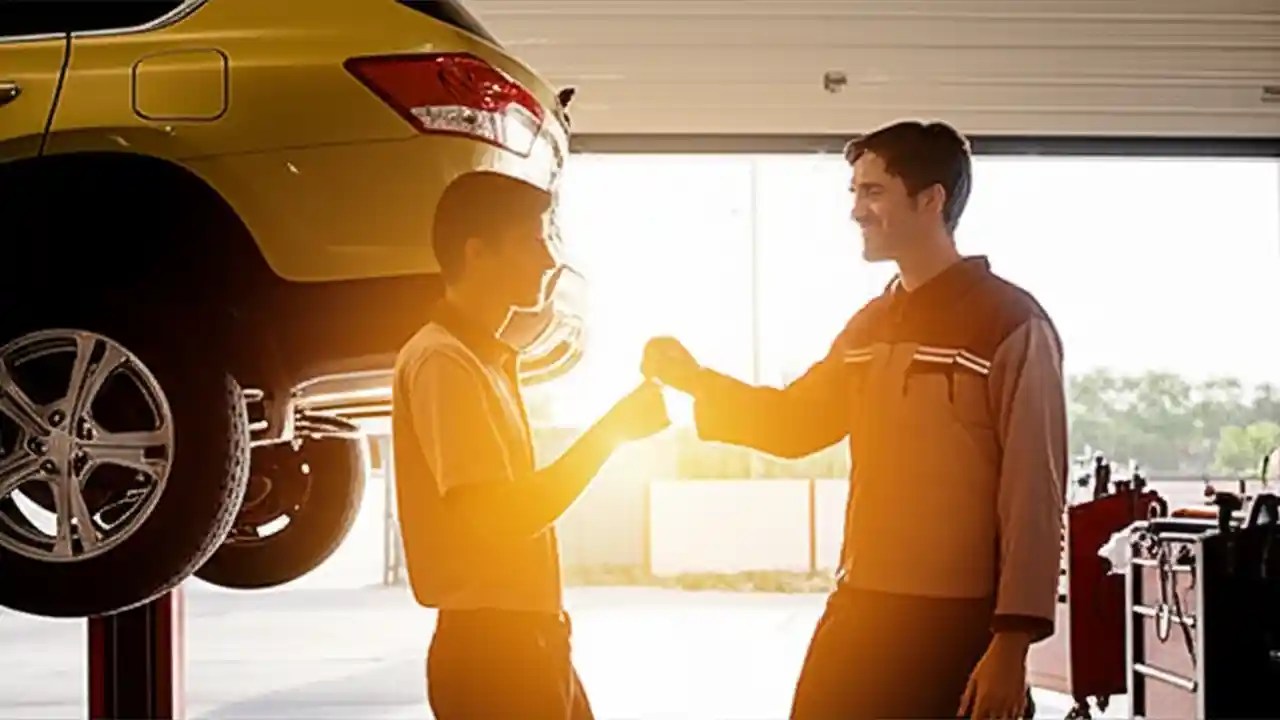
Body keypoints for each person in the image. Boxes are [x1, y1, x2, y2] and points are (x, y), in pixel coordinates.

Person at [642, 120, 1066, 719]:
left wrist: (1012, 642)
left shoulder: (1011, 323)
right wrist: (696, 381)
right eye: (854, 194)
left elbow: (1034, 494)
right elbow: (796, 422)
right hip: (863, 608)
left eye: (873, 193)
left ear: (930, 200)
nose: (857, 212)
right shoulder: (870, 325)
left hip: (960, 627)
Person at [392, 171, 670, 720]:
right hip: (496, 655)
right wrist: (613, 430)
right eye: (535, 240)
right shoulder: (445, 363)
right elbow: (501, 514)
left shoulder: (484, 359)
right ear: (478, 253)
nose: (550, 261)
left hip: (527, 640)